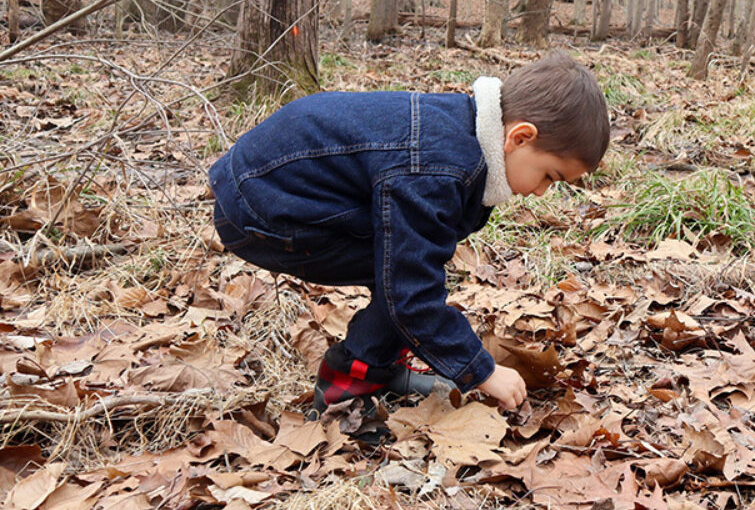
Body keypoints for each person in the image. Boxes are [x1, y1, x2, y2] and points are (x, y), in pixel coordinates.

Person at [207, 50, 608, 414]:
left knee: (411, 259)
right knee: (405, 275)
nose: (540, 192)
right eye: (549, 176)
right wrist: (481, 370)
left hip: (268, 187)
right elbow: (410, 291)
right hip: (259, 207)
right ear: (520, 137)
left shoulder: (459, 131)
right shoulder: (438, 167)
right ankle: (347, 386)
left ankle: (376, 366)